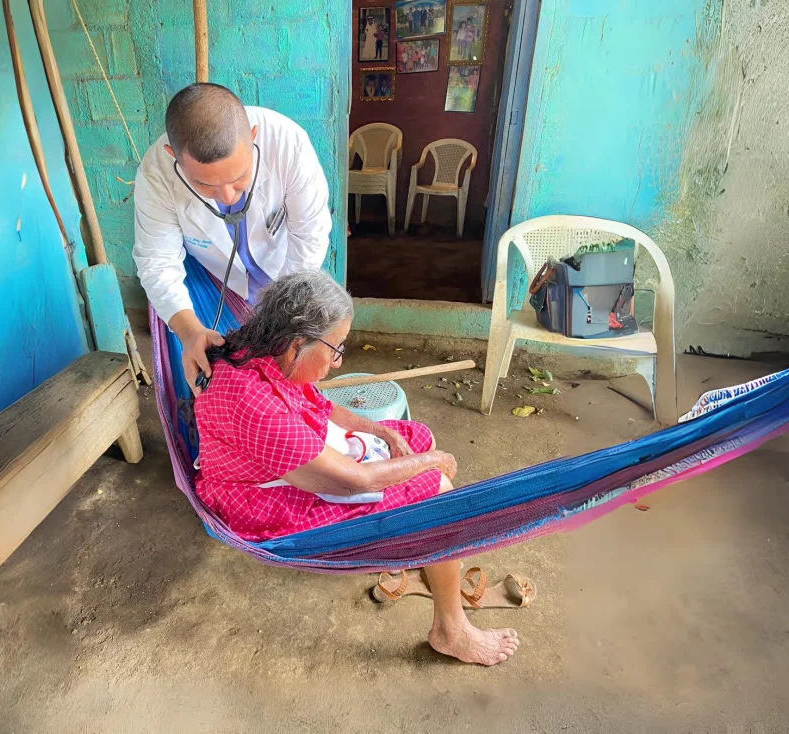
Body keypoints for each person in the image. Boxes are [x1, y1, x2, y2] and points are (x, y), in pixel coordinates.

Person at [193, 270, 520, 666]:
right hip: (261, 499)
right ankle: (451, 630)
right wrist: (431, 464)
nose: (337, 362)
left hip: (283, 458)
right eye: (336, 349)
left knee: (417, 437)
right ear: (298, 343)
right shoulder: (255, 405)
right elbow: (356, 481)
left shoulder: (261, 346)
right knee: (439, 495)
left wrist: (380, 429)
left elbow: (320, 406)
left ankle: (429, 553)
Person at [133, 84, 331, 392]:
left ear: (252, 138)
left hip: (282, 273)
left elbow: (310, 235)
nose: (226, 195)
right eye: (205, 185)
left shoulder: (287, 143)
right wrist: (189, 331)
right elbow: (157, 262)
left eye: (239, 178)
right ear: (174, 157)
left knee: (285, 378)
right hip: (210, 280)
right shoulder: (155, 174)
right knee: (217, 380)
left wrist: (286, 315)